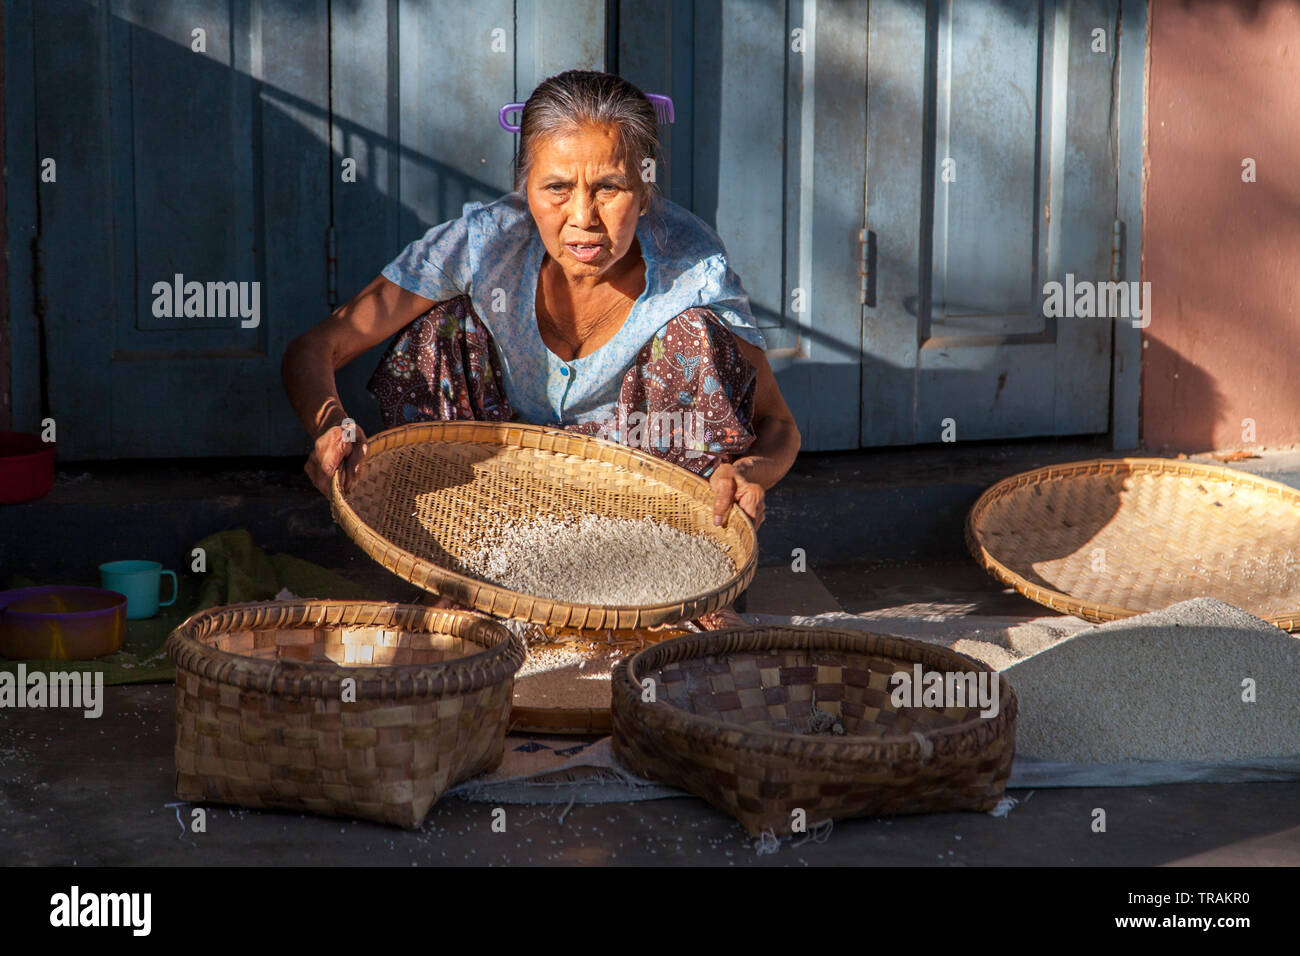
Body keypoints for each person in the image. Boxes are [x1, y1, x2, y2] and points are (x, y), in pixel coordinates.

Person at [282, 70, 801, 626]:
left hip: (638, 518)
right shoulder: (486, 242)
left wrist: (748, 472)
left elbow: (779, 427)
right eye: (557, 188)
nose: (583, 217)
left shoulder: (690, 266)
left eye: (609, 187)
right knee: (443, 324)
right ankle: (464, 577)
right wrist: (330, 425)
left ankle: (681, 591)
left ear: (645, 189)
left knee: (695, 335)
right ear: (525, 186)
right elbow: (318, 347)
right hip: (501, 507)